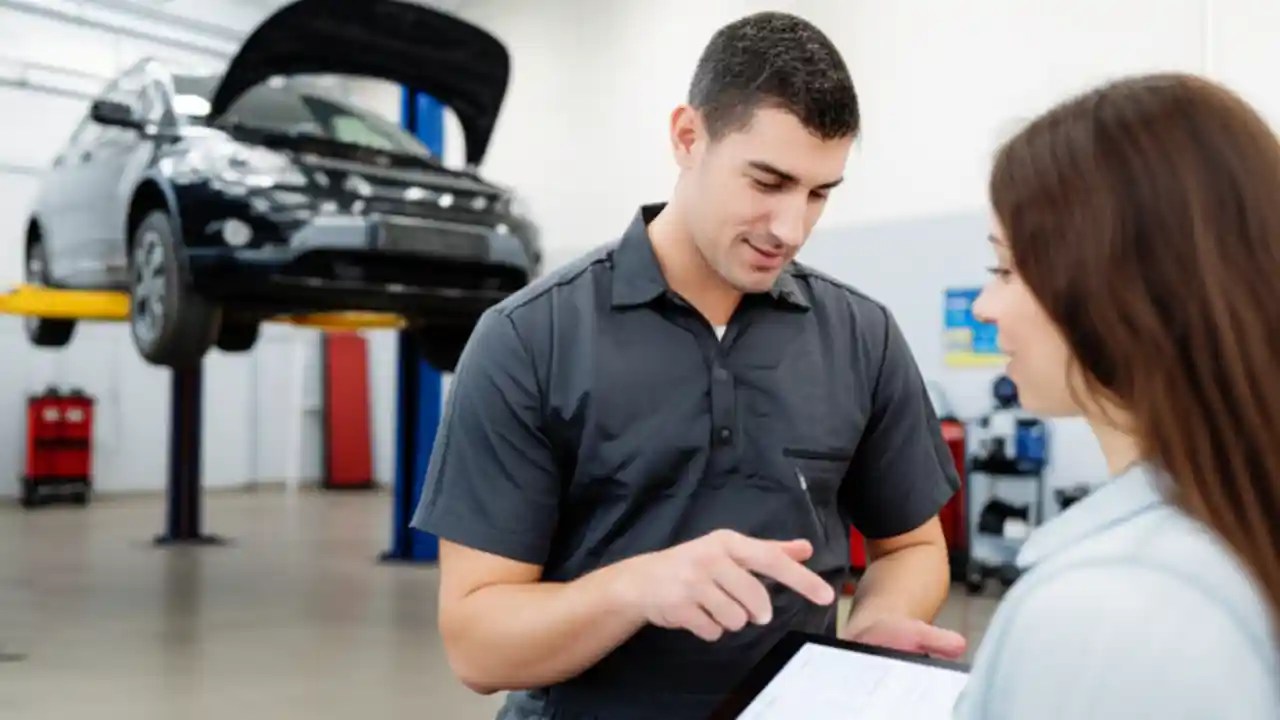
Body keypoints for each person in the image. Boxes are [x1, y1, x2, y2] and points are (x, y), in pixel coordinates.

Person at [412, 11, 965, 720]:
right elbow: (477, 647)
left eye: (820, 193)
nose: (791, 228)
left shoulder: (861, 335)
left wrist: (869, 635)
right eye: (767, 181)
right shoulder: (530, 339)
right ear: (688, 138)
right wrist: (634, 589)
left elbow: (911, 546)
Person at [956, 72, 1280, 718]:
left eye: (1004, 269)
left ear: (1112, 286)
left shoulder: (1114, 609)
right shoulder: (1230, 520)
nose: (987, 306)